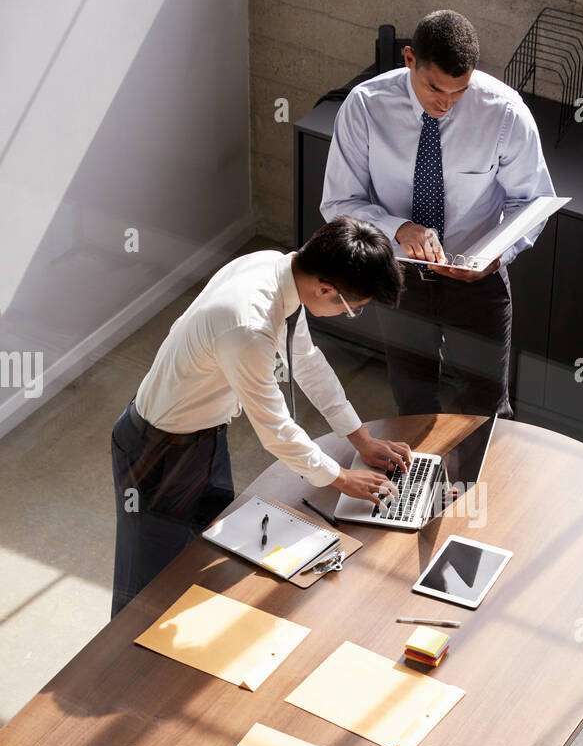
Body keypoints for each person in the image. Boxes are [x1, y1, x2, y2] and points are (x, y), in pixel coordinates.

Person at [110, 217, 409, 618]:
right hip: (157, 454)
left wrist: (361, 440)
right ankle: (120, 677)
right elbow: (276, 430)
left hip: (204, 438)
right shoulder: (249, 325)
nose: (347, 315)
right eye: (352, 309)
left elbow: (305, 362)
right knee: (146, 591)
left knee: (208, 558)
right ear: (326, 289)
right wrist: (341, 477)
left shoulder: (280, 270)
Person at [320, 8, 556, 417]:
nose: (446, 104)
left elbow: (533, 202)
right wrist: (400, 229)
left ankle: (477, 483)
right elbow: (339, 203)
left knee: (485, 405)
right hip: (399, 275)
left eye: (459, 92)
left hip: (478, 280)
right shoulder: (365, 106)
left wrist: (500, 255)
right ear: (410, 59)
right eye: (435, 89)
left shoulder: (504, 112)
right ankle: (425, 480)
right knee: (412, 400)